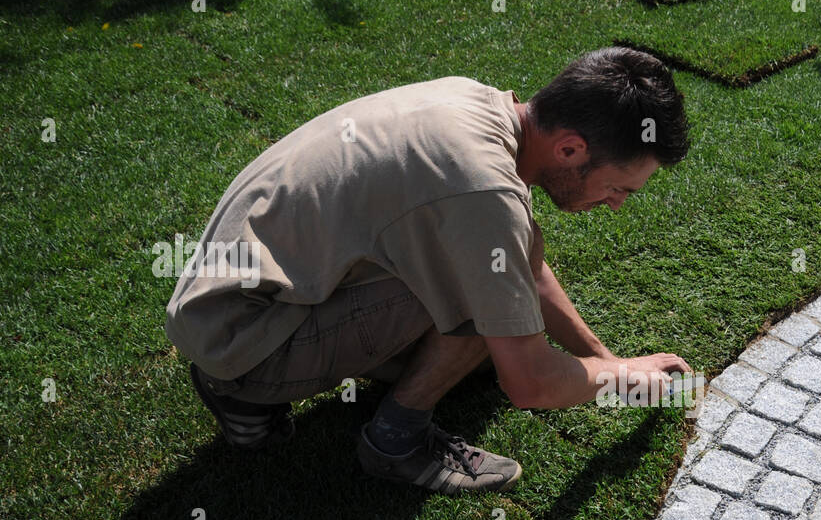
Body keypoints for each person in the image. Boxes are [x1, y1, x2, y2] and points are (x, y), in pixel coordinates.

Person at [166, 47, 693, 494]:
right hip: (243, 339)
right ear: (571, 148)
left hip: (228, 303)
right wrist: (625, 377)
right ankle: (393, 440)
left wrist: (602, 359)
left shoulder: (477, 104)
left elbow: (523, 263)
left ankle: (249, 383)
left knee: (494, 286)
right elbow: (530, 385)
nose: (618, 204)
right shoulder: (482, 191)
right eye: (620, 187)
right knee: (487, 299)